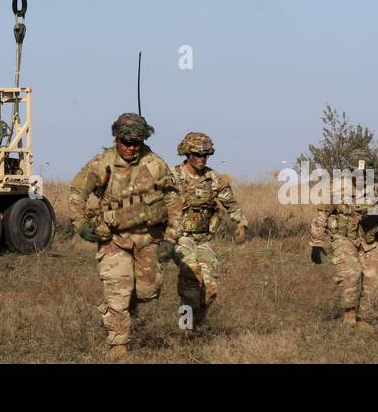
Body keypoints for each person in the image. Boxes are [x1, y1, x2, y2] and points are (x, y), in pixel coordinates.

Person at [68, 112, 182, 358]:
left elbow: (173, 199)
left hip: (148, 238)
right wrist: (80, 223)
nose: (130, 148)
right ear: (116, 138)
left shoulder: (155, 164)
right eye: (125, 142)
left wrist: (171, 239)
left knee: (147, 292)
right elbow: (77, 191)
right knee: (117, 290)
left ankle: (118, 307)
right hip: (113, 239)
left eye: (136, 143)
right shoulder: (101, 163)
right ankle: (118, 344)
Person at [172, 132, 249, 329]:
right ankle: (185, 329)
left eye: (205, 155)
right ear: (187, 154)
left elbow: (231, 205)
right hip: (180, 238)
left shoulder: (213, 179)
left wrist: (241, 224)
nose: (202, 159)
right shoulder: (172, 178)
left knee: (210, 289)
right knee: (192, 275)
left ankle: (194, 326)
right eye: (197, 154)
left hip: (203, 240)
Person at [309, 160, 378, 329]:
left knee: (375, 276)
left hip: (369, 240)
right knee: (350, 272)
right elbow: (321, 215)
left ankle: (365, 318)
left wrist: (377, 216)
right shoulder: (336, 187)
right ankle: (349, 311)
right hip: (344, 237)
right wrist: (316, 243)